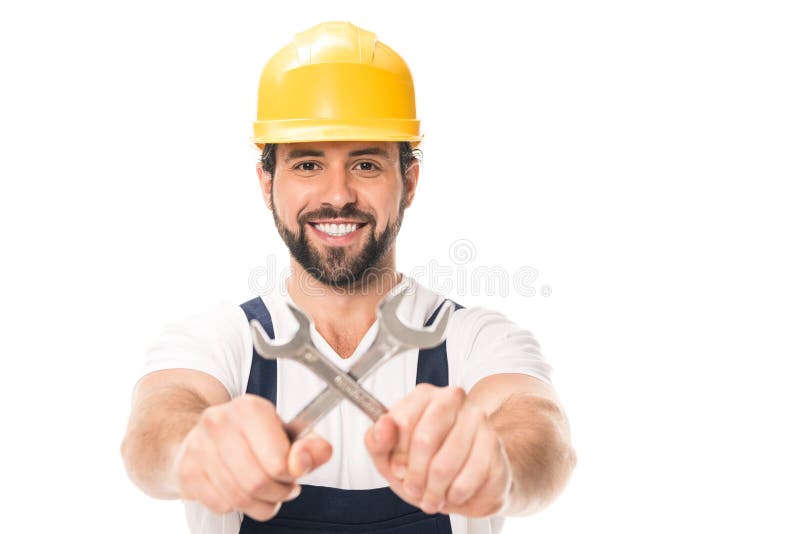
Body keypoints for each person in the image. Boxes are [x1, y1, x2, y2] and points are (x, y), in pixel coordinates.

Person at [121, 21, 576, 534]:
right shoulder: (219, 339)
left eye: (365, 165)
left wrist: (496, 462)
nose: (337, 195)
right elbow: (152, 435)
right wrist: (193, 448)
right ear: (267, 182)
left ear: (409, 181)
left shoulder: (474, 340)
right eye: (308, 165)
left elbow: (541, 436)